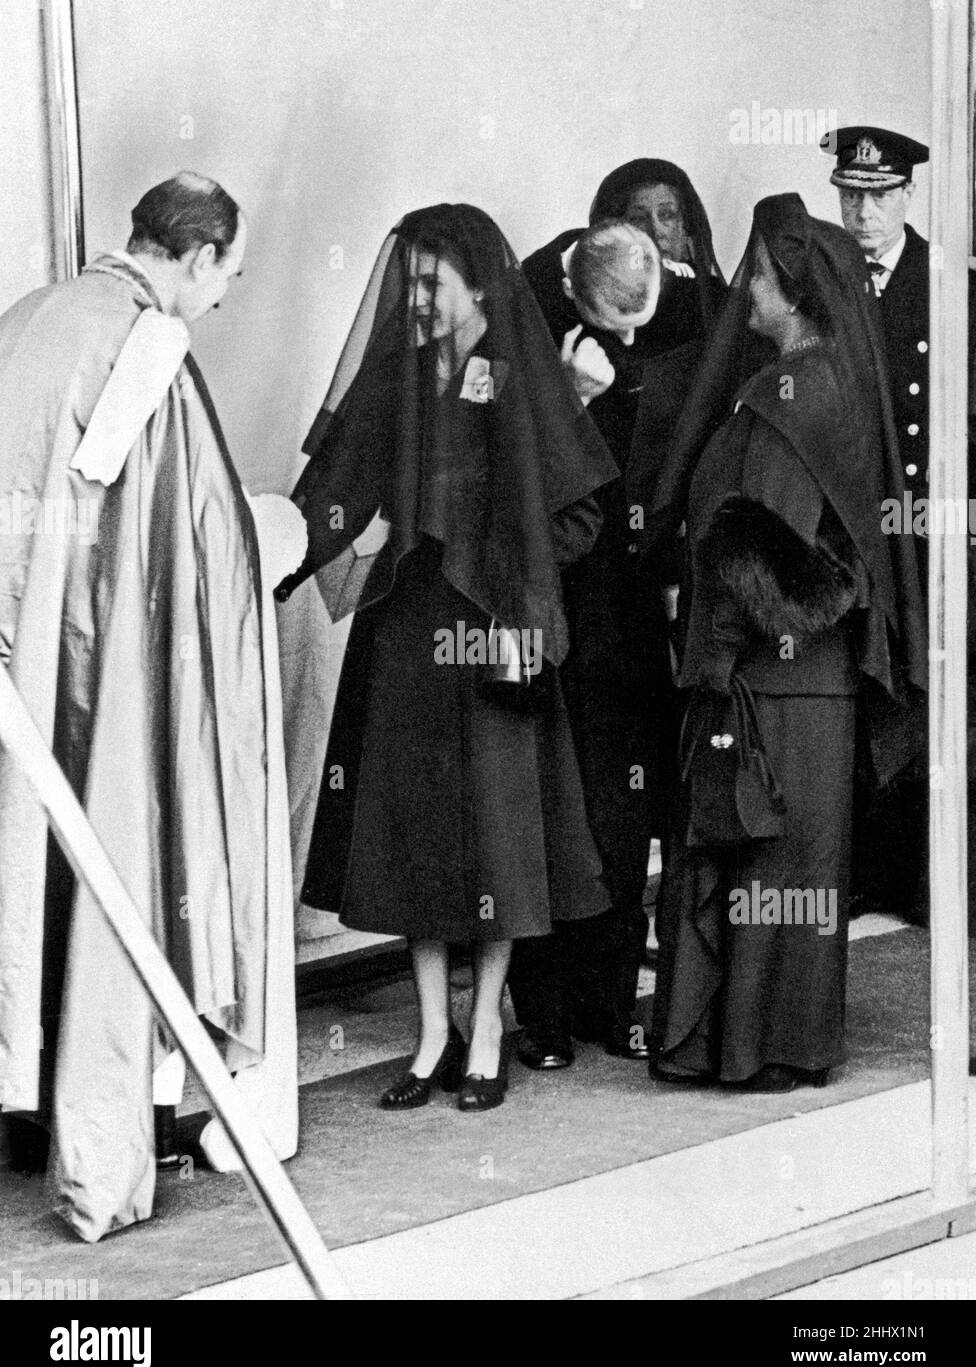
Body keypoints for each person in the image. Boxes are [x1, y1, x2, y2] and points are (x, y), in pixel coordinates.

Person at [0, 172, 301, 1240]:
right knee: (115, 890)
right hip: (99, 675)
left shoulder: (29, 315)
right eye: (227, 274)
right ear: (199, 254)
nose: (222, 299)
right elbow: (194, 551)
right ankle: (100, 1168)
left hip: (18, 660)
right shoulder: (149, 349)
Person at [275, 203, 617, 1112]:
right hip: (404, 637)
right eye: (409, 280)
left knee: (498, 842)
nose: (415, 297)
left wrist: (519, 583)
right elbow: (334, 498)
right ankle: (434, 1035)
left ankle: (489, 1025)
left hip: (494, 642)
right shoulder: (394, 379)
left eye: (432, 281)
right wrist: (264, 554)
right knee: (417, 838)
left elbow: (579, 514)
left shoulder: (521, 380)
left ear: (478, 284)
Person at [648, 193, 926, 1092]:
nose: (746, 296)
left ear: (792, 293)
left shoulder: (788, 400)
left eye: (757, 280)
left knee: (761, 862)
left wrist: (711, 665)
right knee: (793, 872)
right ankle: (779, 1044)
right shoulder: (835, 385)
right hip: (813, 688)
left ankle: (747, 1048)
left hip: (769, 683)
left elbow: (753, 547)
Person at [506, 164, 726, 1072]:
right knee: (561, 813)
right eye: (641, 217)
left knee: (631, 815)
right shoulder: (529, 297)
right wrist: (572, 400)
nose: (665, 234)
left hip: (651, 609)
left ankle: (608, 1002)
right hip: (564, 603)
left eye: (673, 219)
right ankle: (545, 1013)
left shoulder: (696, 305)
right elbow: (504, 465)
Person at [820, 126, 976, 928]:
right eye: (850, 195)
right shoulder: (824, 282)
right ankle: (864, 872)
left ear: (907, 196)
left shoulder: (946, 283)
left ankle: (923, 879)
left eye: (878, 197)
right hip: (854, 533)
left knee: (926, 696)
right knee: (859, 692)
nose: (863, 212)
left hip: (927, 531)